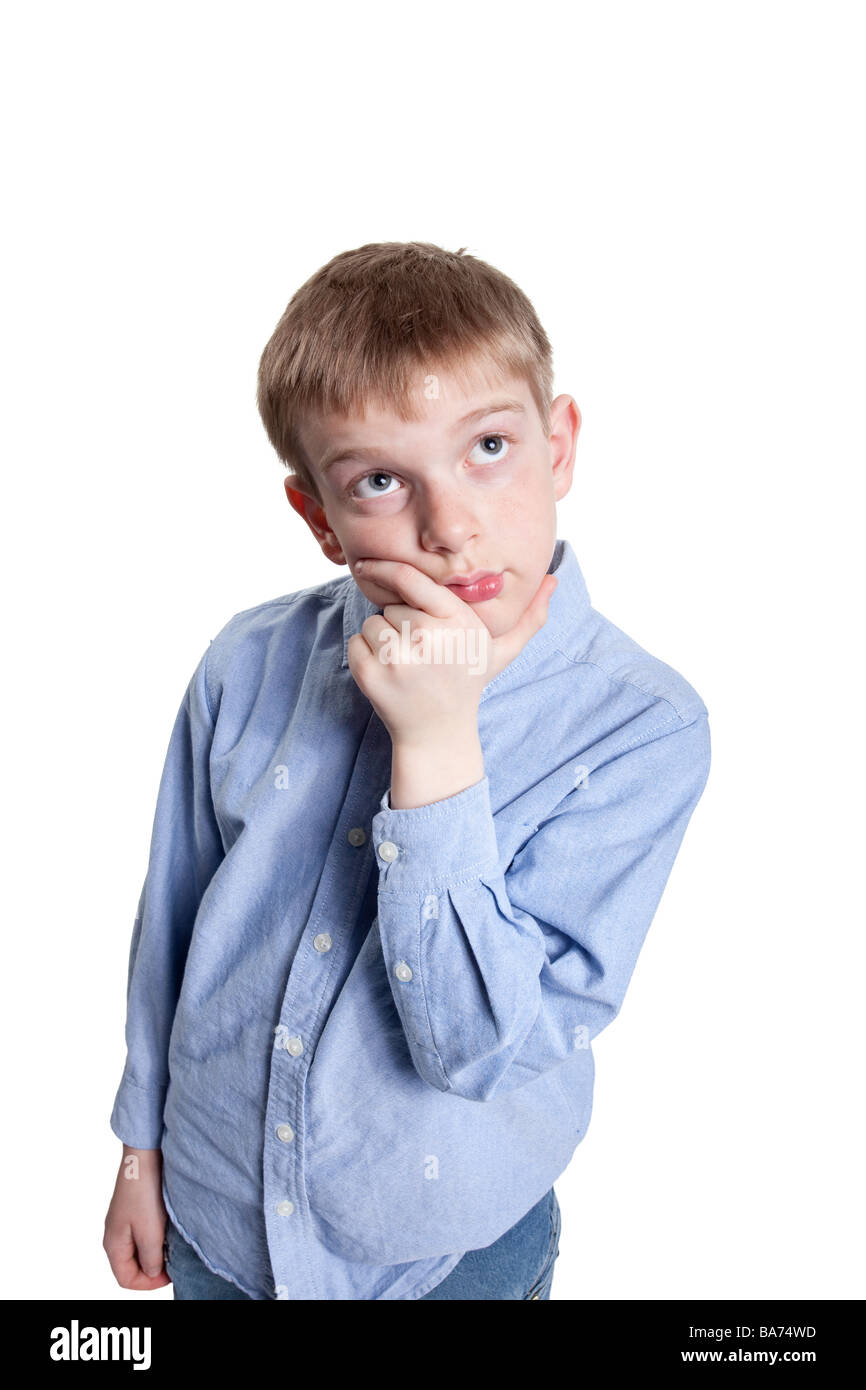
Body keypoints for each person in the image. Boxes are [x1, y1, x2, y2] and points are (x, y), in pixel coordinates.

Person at [103, 241, 711, 1300]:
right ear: (317, 518)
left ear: (557, 443)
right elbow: (174, 920)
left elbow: (474, 1050)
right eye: (381, 480)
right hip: (217, 1215)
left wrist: (434, 745)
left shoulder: (639, 726)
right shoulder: (247, 661)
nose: (448, 524)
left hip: (444, 1261)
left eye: (487, 446)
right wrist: (139, 1148)